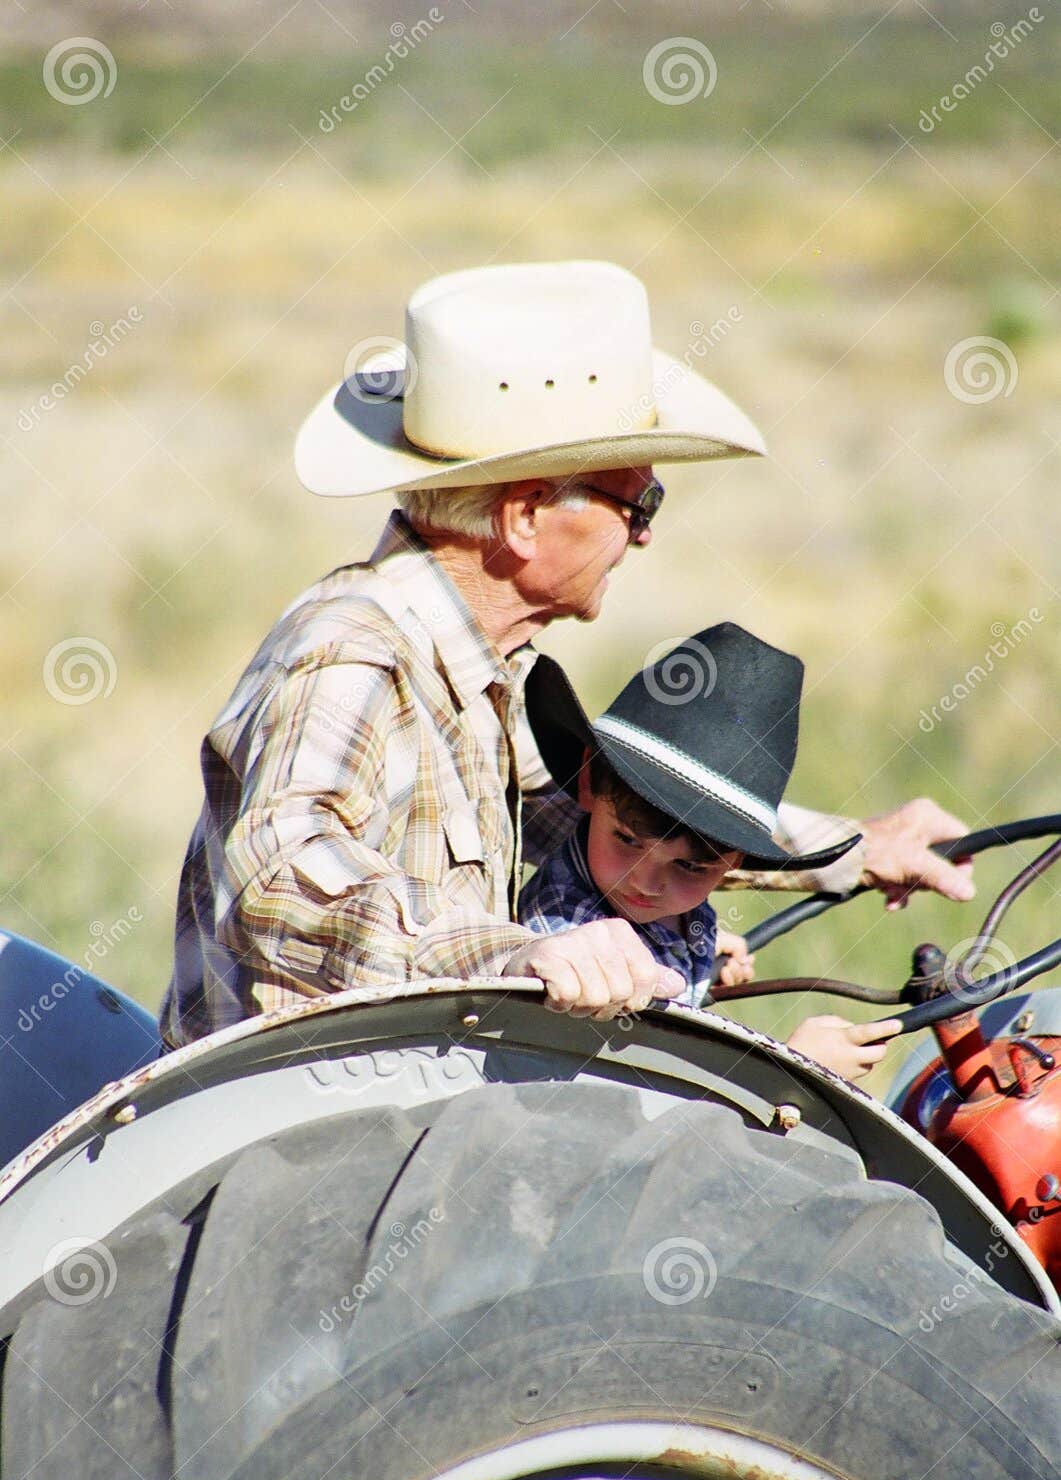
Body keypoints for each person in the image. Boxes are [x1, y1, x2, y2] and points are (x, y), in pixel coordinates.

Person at [159, 260, 973, 1049]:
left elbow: (616, 803)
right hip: (295, 1129)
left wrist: (852, 849)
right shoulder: (354, 654)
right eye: (637, 501)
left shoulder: (485, 668)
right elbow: (279, 878)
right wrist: (515, 954)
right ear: (523, 516)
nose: (645, 533)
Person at [519, 624, 901, 1081]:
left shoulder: (662, 911)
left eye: (689, 866)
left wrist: (691, 955)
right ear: (587, 784)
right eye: (626, 840)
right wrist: (786, 1071)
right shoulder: (568, 928)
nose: (645, 881)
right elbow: (636, 1091)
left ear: (735, 860)